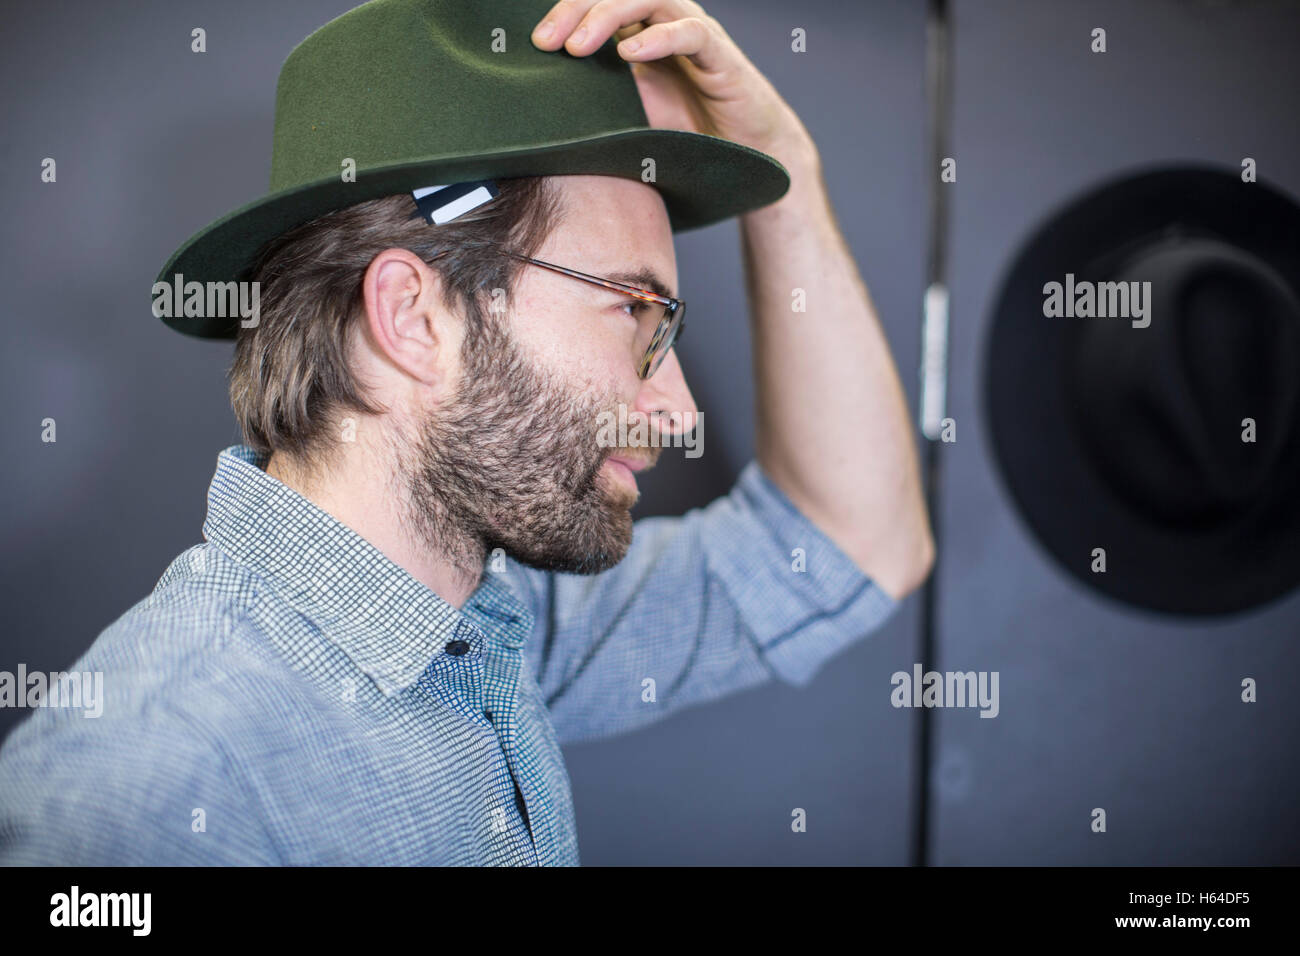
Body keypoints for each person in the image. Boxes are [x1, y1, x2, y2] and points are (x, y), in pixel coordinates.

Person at [0, 0, 932, 865]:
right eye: (637, 313)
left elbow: (852, 544)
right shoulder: (141, 792)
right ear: (414, 317)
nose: (679, 415)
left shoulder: (497, 625)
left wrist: (787, 177)